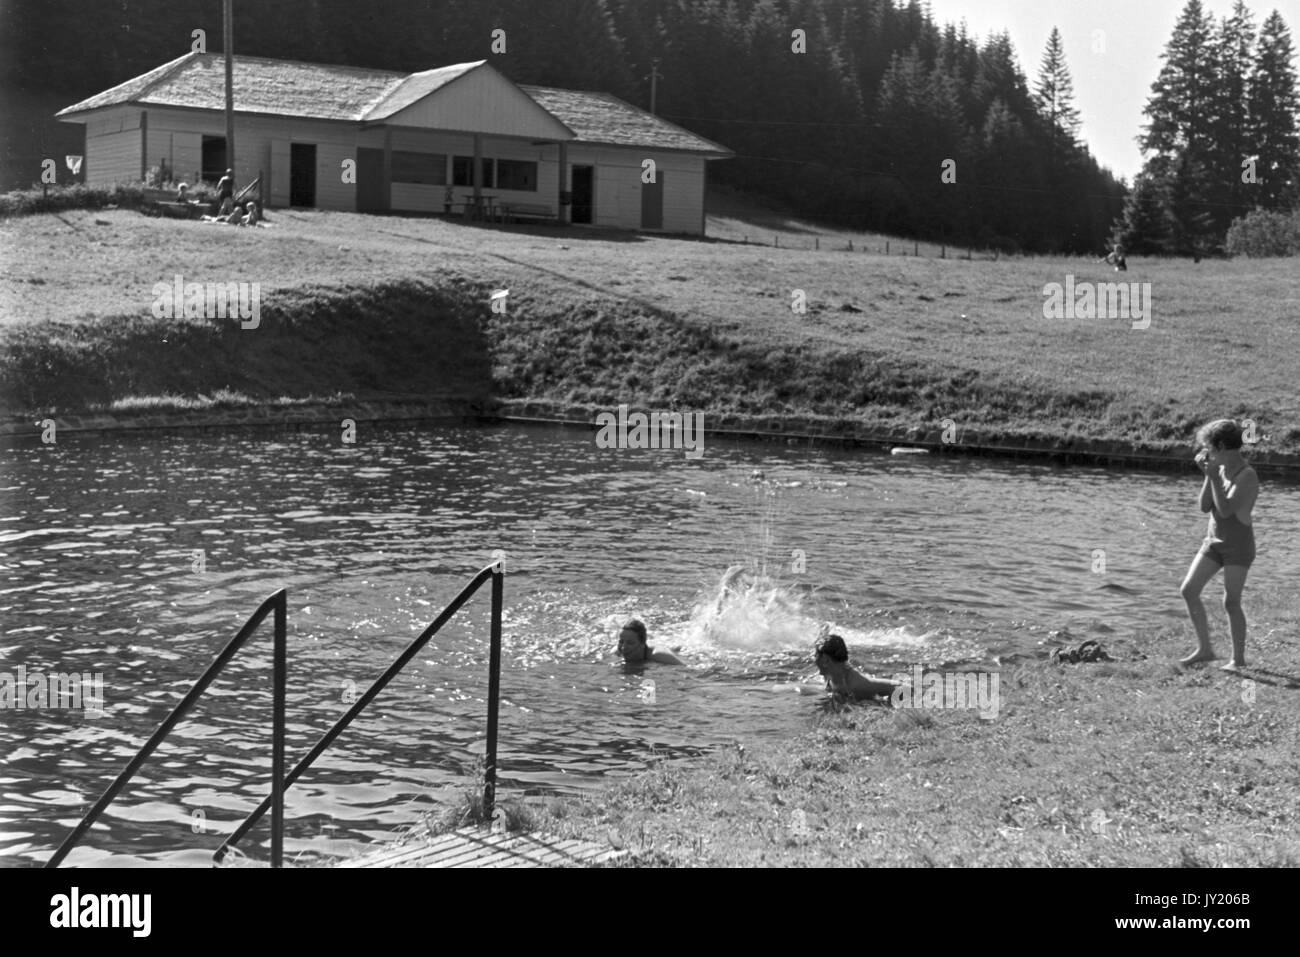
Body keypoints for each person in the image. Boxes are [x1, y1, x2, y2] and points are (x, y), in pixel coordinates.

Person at [1179, 419, 1259, 670]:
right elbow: (1205, 507)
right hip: (1213, 542)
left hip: (1238, 547)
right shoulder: (1219, 470)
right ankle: (1205, 649)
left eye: (1208, 447)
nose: (1205, 452)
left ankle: (1238, 660)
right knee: (1189, 590)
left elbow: (1225, 511)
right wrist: (1209, 475)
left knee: (1231, 602)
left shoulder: (1247, 475)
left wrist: (1213, 476)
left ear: (1222, 446)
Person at [814, 634, 899, 703]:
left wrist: (888, 705)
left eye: (815, 655)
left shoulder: (856, 685)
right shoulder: (831, 673)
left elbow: (904, 687)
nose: (813, 659)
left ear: (825, 659)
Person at [616, 619, 682, 665]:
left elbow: (684, 667)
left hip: (668, 644)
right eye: (621, 641)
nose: (623, 647)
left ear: (642, 643)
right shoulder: (617, 651)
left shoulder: (659, 655)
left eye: (630, 643)